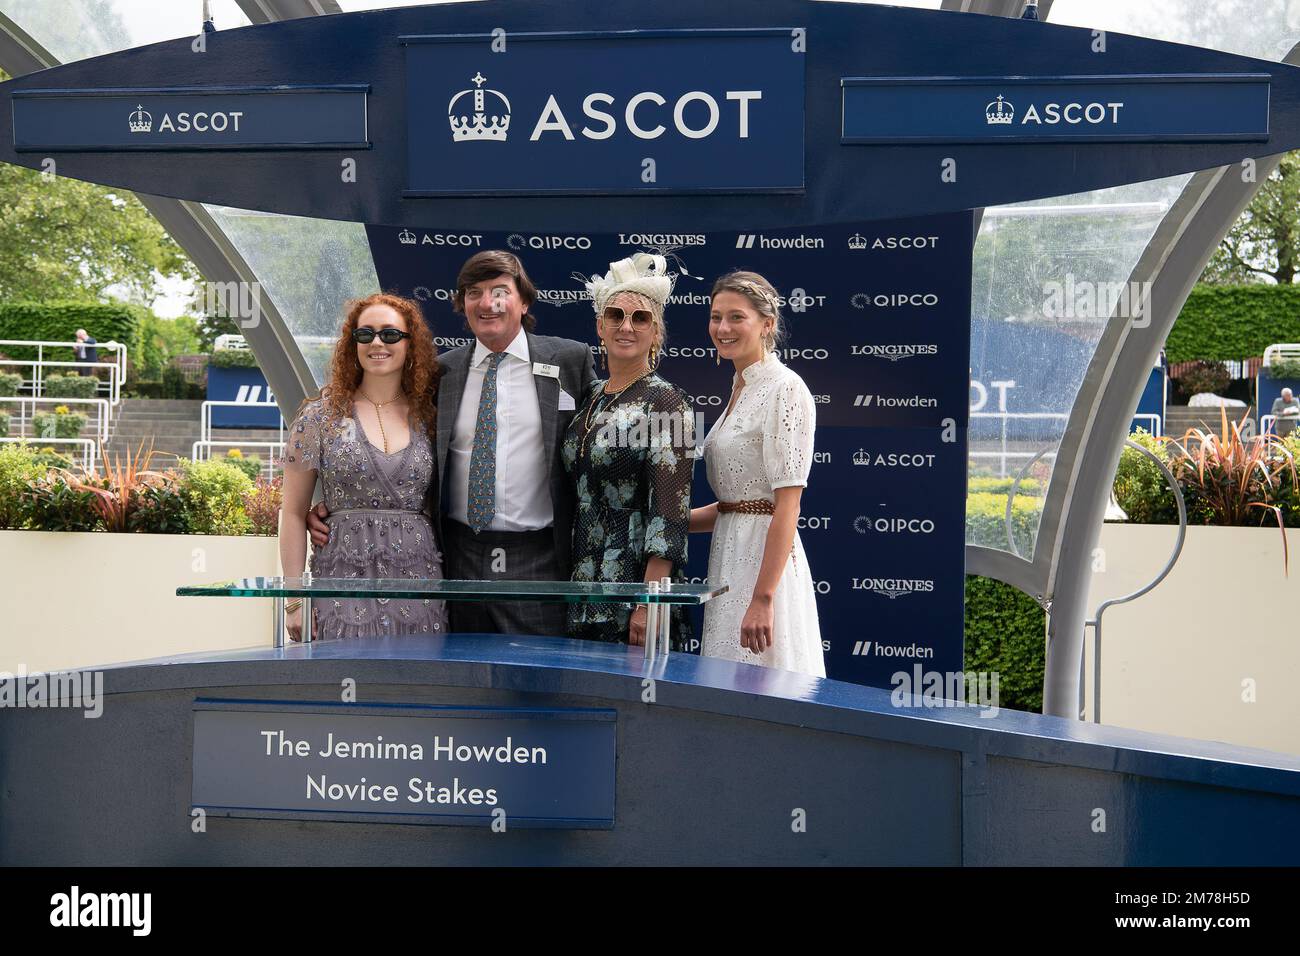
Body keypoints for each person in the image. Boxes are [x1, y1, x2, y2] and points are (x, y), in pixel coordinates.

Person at [308, 251, 595, 636]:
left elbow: (599, 442)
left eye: (500, 291)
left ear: (523, 301)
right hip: (457, 557)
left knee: (539, 682)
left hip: (539, 558)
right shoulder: (442, 373)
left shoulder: (569, 361)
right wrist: (331, 507)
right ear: (462, 305)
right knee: (460, 680)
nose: (487, 302)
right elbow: (396, 447)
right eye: (473, 292)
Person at [281, 293, 448, 640]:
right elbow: (293, 513)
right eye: (365, 334)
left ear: (410, 343)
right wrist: (294, 599)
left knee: (418, 683)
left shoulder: (433, 417)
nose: (376, 343)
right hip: (342, 577)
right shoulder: (319, 416)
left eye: (389, 334)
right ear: (352, 343)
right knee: (345, 676)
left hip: (419, 577)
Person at [690, 271, 825, 678]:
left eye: (736, 317)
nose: (723, 328)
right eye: (716, 317)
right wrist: (663, 523)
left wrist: (764, 598)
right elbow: (738, 503)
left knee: (767, 686)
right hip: (729, 560)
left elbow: (787, 505)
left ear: (767, 324)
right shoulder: (740, 387)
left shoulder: (786, 388)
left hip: (764, 573)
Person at [563, 254, 696, 648]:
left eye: (641, 319)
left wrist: (648, 601)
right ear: (599, 326)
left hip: (633, 580)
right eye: (615, 315)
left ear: (656, 333)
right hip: (582, 572)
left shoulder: (671, 402)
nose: (626, 326)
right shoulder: (588, 397)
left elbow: (671, 508)